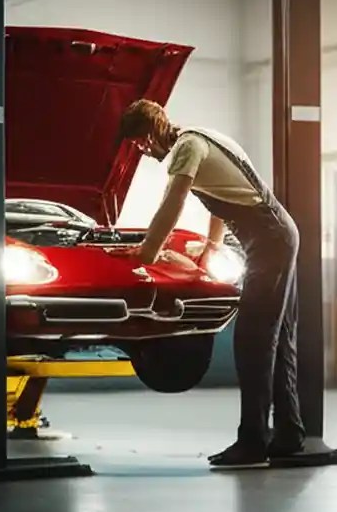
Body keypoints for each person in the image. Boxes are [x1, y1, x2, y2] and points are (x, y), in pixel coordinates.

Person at [117, 99, 306, 466]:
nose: (142, 151)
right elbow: (220, 198)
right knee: (279, 337)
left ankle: (252, 442)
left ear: (153, 131)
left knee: (253, 340)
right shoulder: (204, 137)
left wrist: (146, 253)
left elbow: (171, 203)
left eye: (141, 143)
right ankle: (289, 434)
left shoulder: (184, 149)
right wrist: (211, 246)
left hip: (267, 238)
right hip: (278, 231)